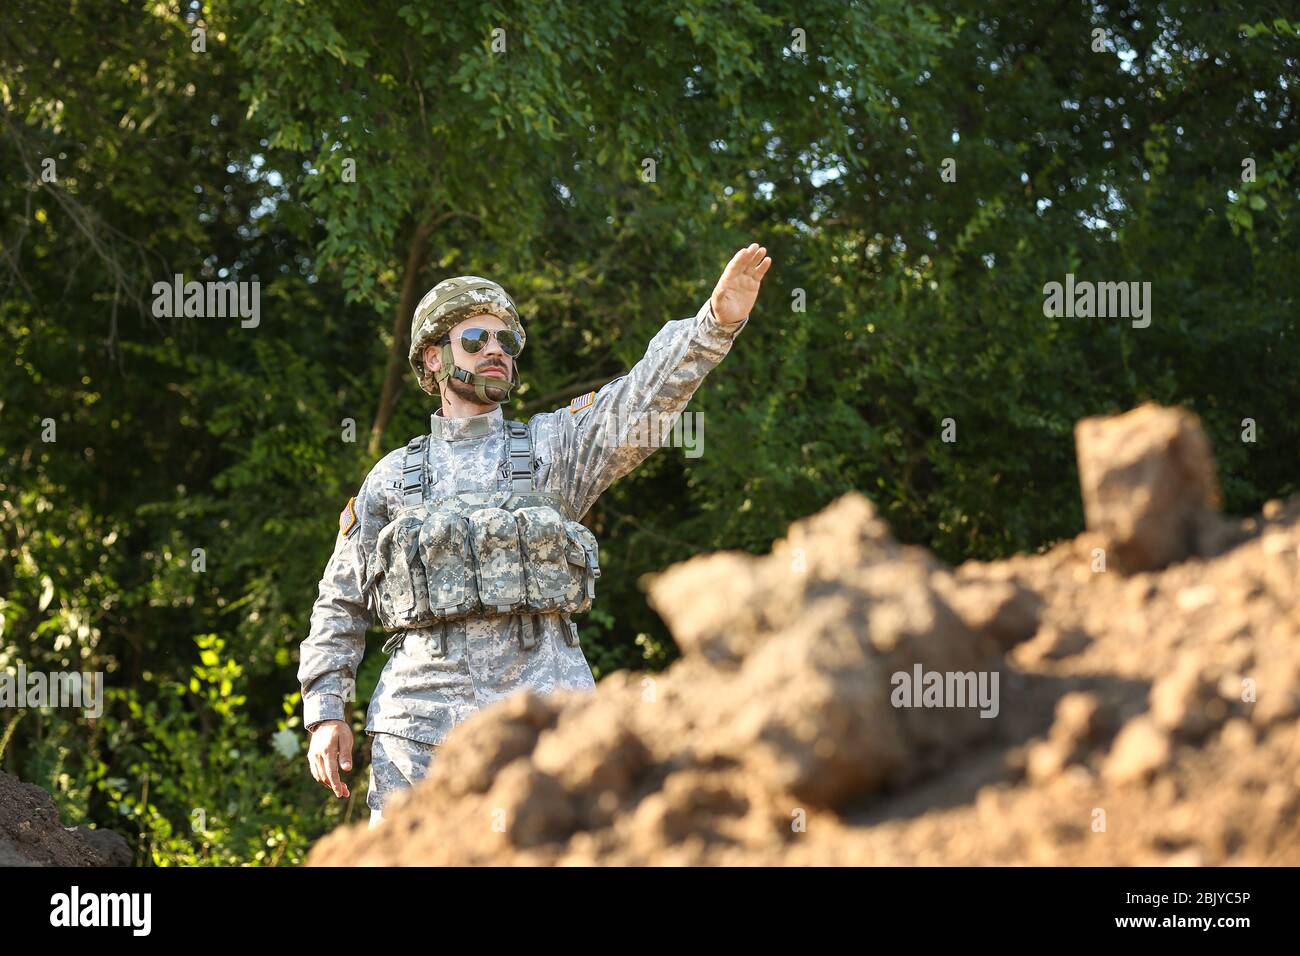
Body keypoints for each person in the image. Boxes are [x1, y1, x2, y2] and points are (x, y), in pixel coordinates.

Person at [299, 243, 773, 826]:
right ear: (432, 358)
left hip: (547, 723)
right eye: (476, 339)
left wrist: (714, 324)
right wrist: (325, 712)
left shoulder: (554, 449)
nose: (495, 350)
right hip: (419, 733)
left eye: (506, 341)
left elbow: (640, 399)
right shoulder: (394, 477)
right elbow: (341, 601)